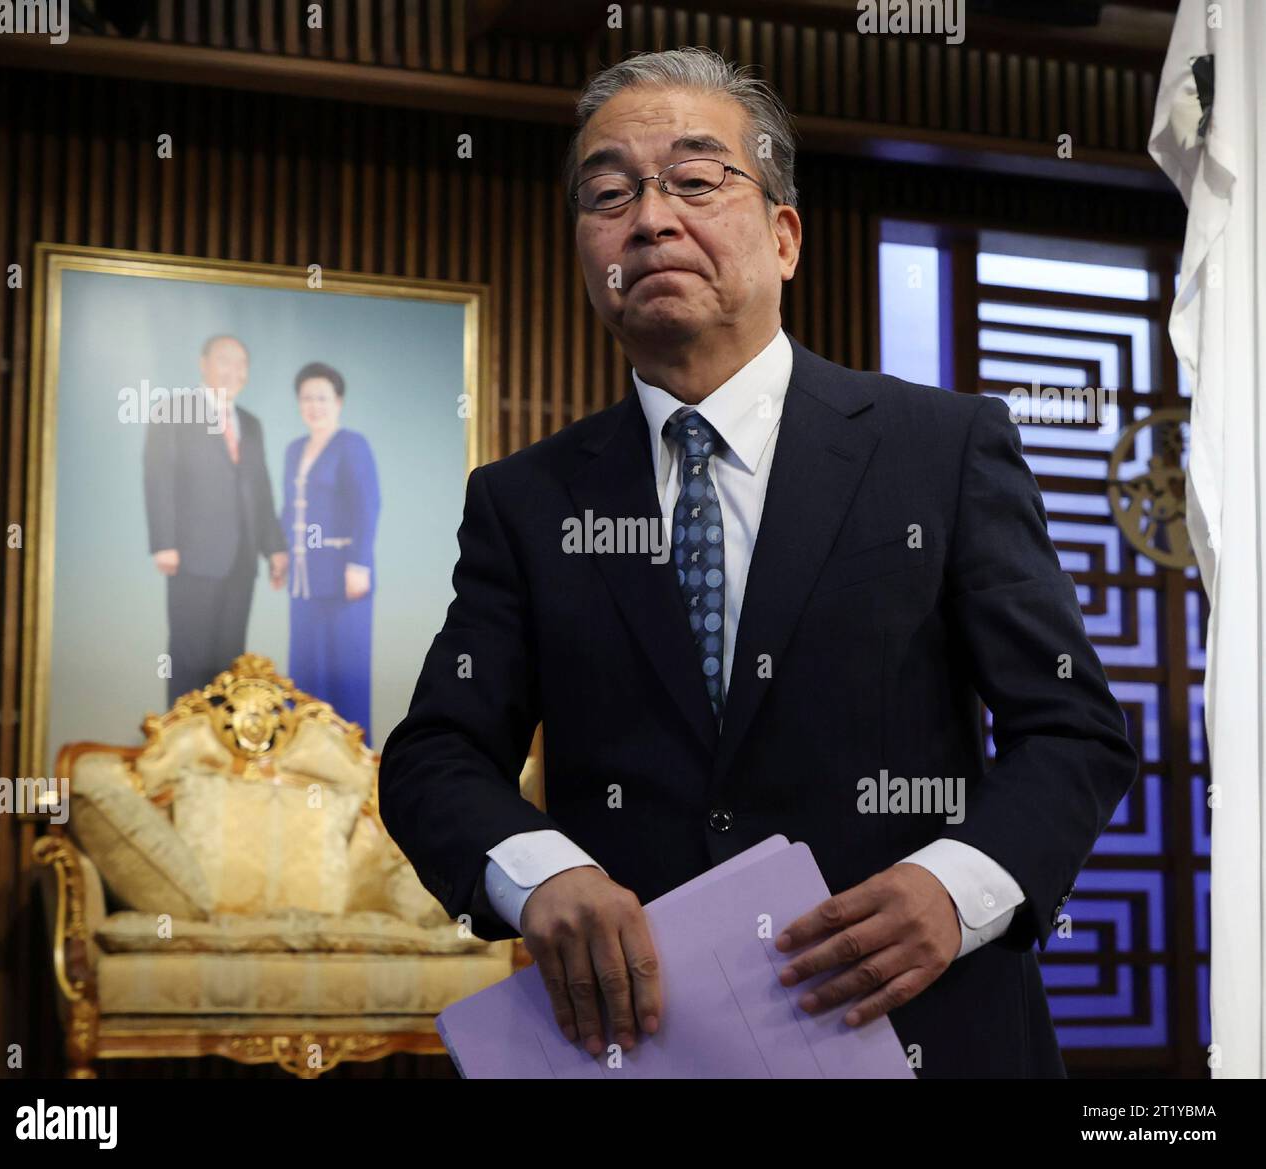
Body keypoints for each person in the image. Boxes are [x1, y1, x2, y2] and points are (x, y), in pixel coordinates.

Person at [379, 48, 1138, 1077]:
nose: (650, 217)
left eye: (696, 179)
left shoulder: (940, 446)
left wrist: (957, 887)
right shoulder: (527, 499)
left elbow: (1073, 727)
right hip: (648, 1047)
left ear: (783, 236)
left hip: (930, 1029)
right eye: (609, 192)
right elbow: (436, 754)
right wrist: (543, 873)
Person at [144, 334, 287, 704]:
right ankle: (182, 747)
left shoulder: (250, 424)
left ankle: (222, 750)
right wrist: (164, 543)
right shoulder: (174, 411)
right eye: (225, 360)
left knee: (230, 661)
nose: (234, 371)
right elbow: (158, 477)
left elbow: (261, 490)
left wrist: (275, 549)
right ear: (203, 363)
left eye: (242, 364)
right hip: (192, 556)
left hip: (242, 561)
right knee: (189, 656)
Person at [276, 362, 380, 740]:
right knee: (306, 674)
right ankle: (305, 764)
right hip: (305, 582)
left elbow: (368, 507)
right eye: (306, 397)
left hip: (343, 578)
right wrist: (279, 555)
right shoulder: (293, 450)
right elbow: (289, 509)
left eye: (321, 397)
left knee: (344, 673)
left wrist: (359, 564)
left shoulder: (352, 445)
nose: (314, 405)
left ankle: (351, 773)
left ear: (338, 401)